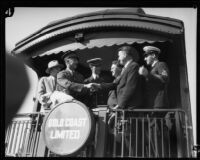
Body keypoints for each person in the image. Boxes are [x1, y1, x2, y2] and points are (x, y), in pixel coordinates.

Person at [138, 45, 170, 157]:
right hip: (152, 106)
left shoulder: (161, 65)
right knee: (153, 135)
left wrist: (148, 75)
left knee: (157, 135)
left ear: (153, 55)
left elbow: (164, 79)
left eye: (147, 56)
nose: (145, 58)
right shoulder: (152, 69)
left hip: (158, 106)